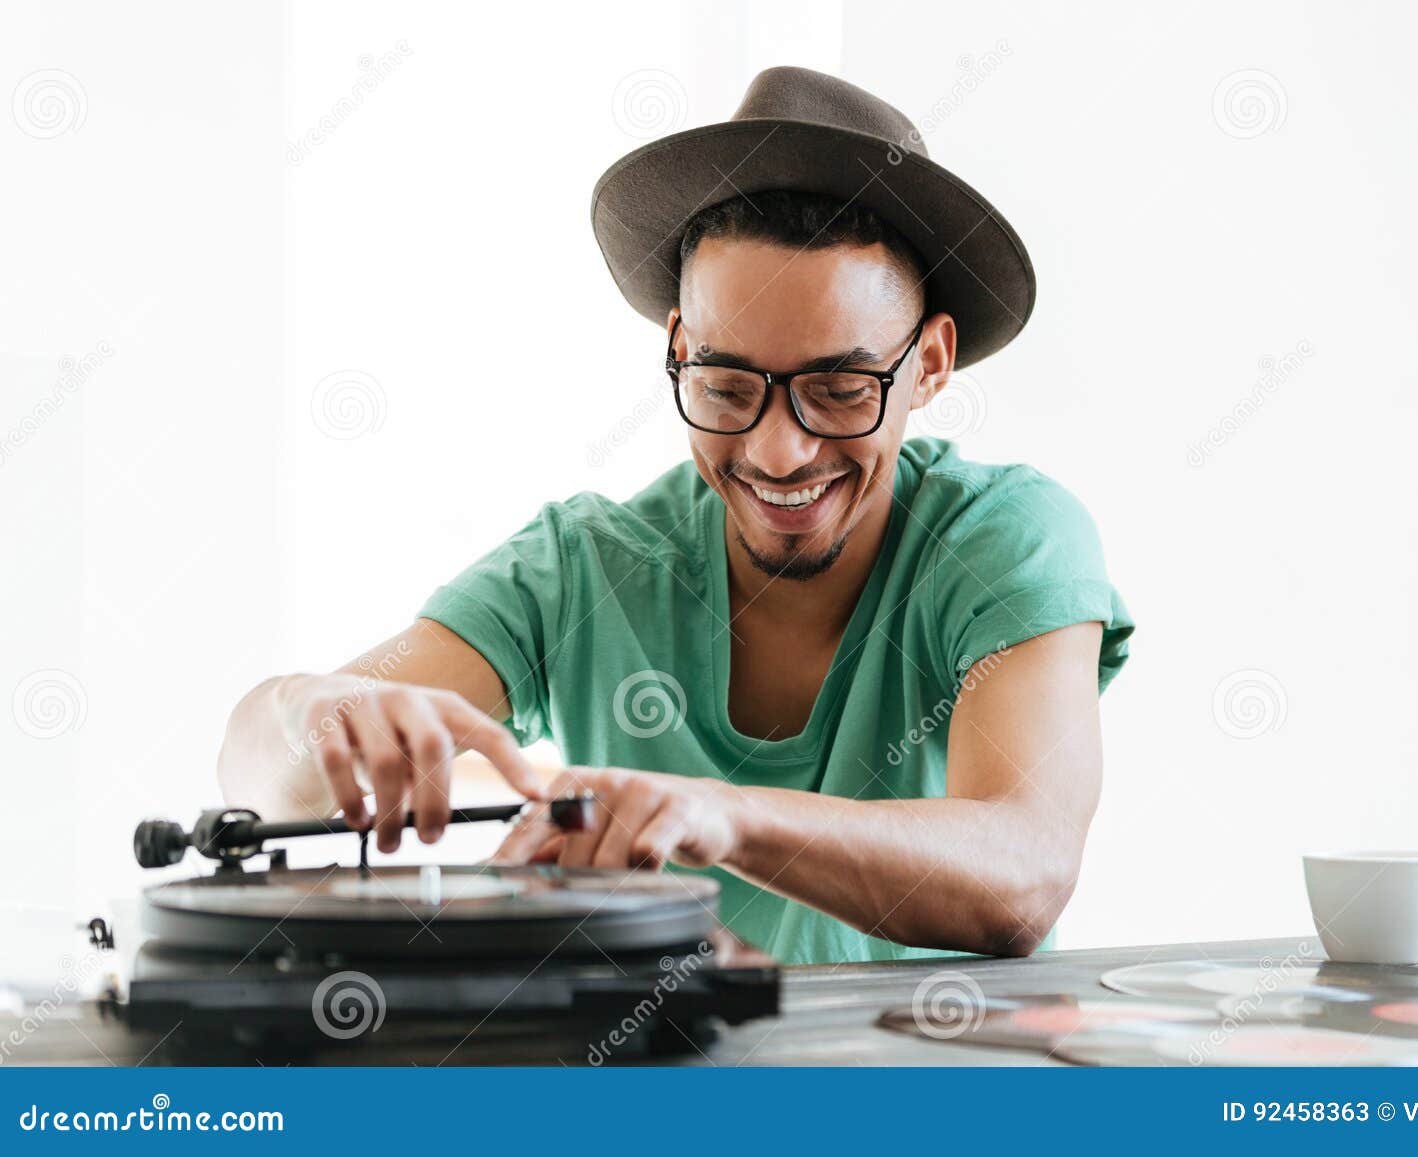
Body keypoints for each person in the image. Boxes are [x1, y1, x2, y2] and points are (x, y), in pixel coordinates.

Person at [219, 66, 1134, 965]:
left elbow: (1024, 874)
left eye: (842, 390)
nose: (779, 451)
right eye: (728, 386)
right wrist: (320, 713)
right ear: (679, 350)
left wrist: (719, 814)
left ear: (929, 365)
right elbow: (260, 776)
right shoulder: (583, 567)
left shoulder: (1007, 540)